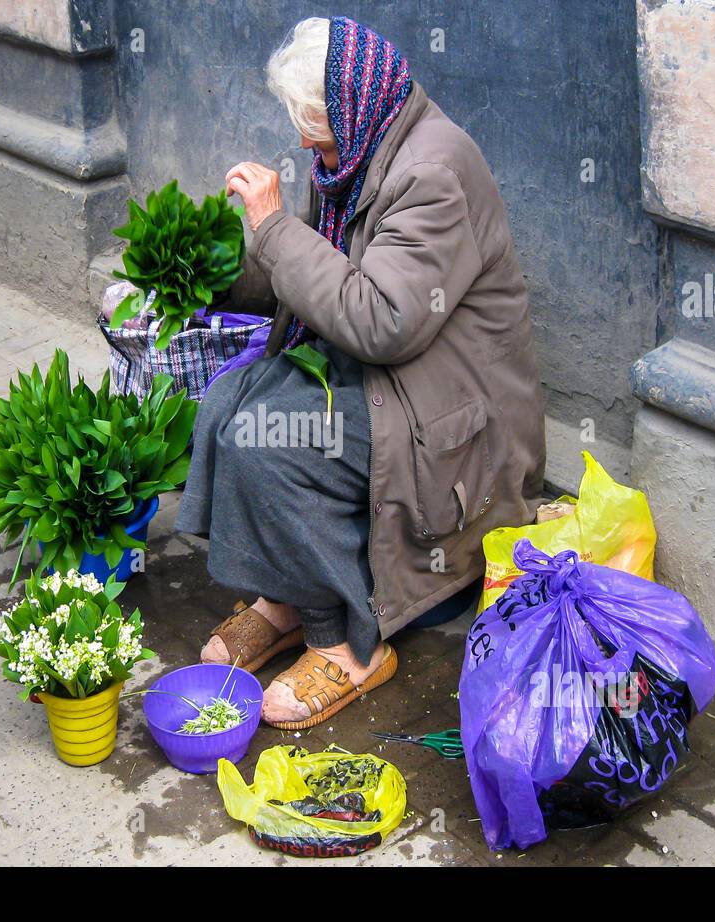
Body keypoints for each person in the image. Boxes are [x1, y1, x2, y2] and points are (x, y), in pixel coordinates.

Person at [175, 15, 546, 730]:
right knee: (228, 401)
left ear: (352, 102)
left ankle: (346, 643)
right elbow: (322, 272)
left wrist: (275, 228)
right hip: (395, 375)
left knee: (269, 440)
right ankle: (285, 593)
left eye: (317, 124)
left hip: (451, 413)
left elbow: (380, 320)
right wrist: (217, 274)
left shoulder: (431, 173)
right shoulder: (361, 148)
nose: (310, 141)